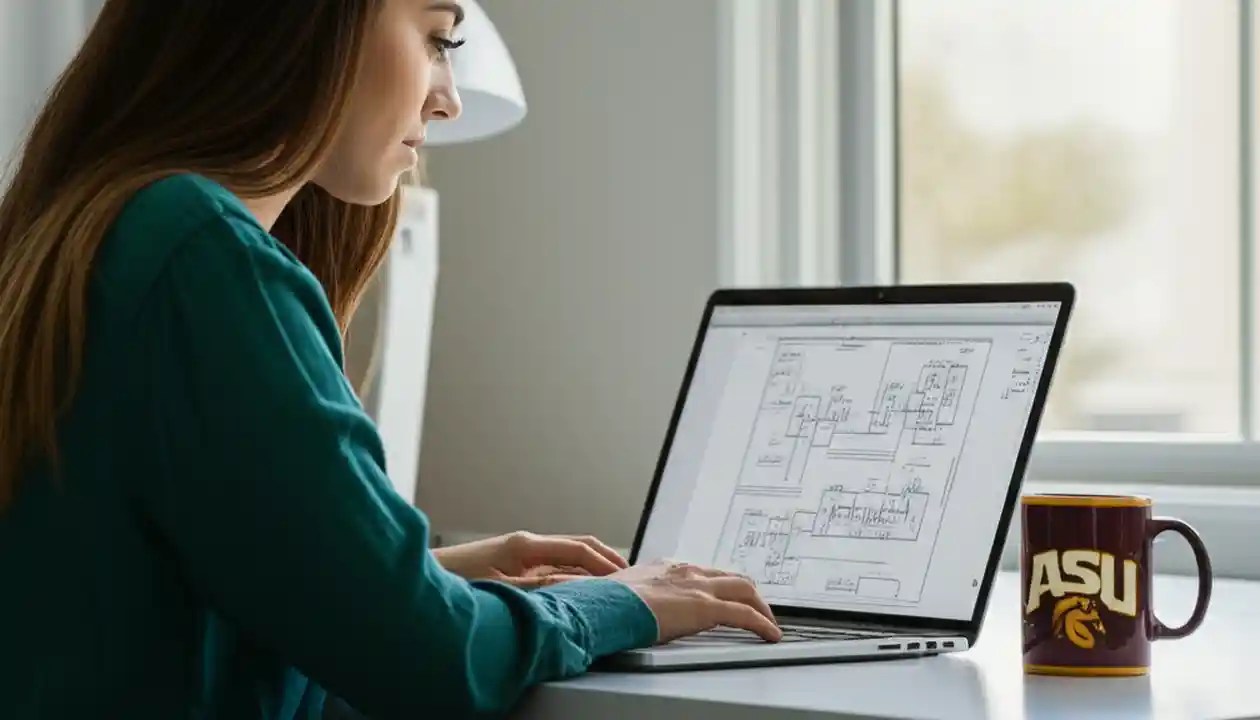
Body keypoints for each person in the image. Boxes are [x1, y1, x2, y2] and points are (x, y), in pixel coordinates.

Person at [0, 1, 783, 718]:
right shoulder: (199, 255)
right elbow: (430, 659)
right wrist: (628, 602)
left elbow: (154, 599)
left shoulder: (94, 235)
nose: (447, 99)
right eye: (438, 40)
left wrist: (417, 574)